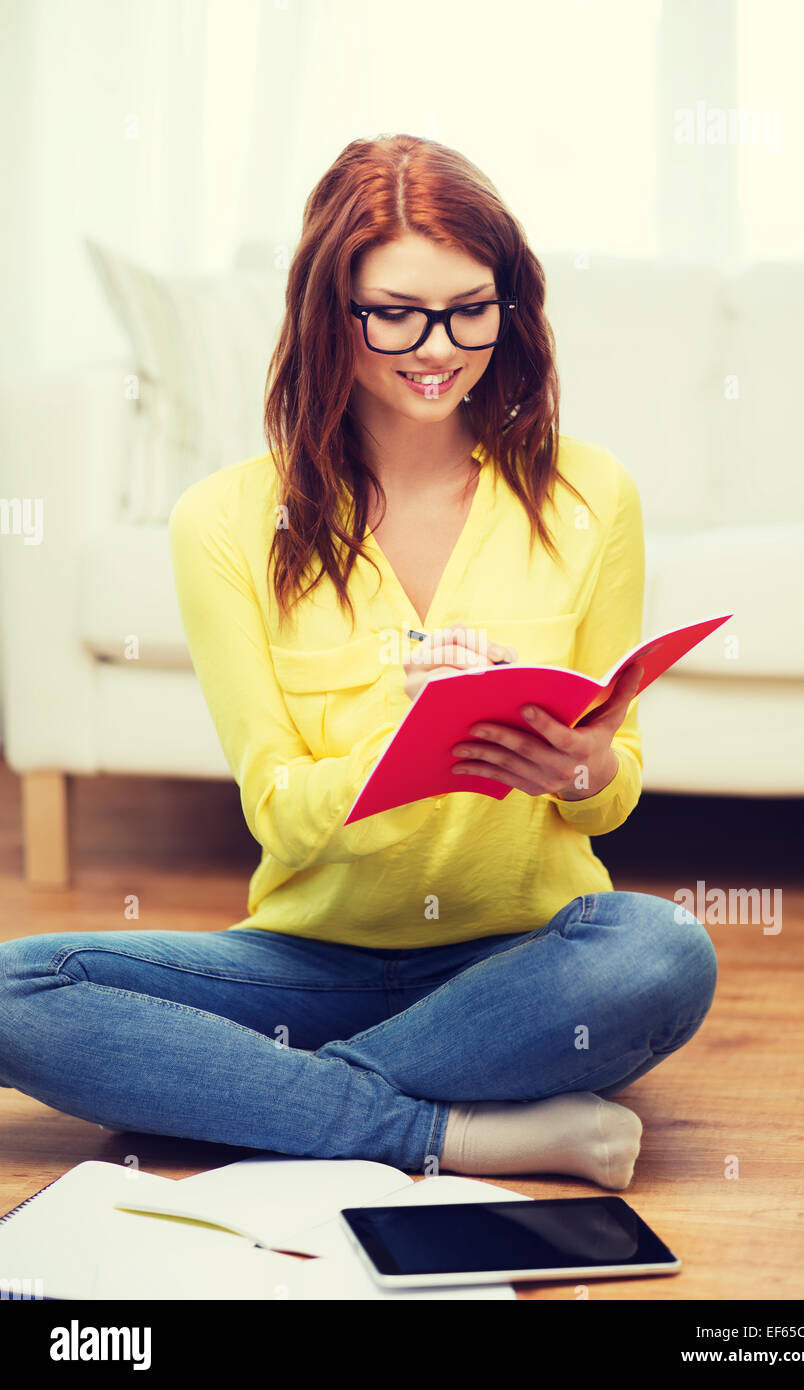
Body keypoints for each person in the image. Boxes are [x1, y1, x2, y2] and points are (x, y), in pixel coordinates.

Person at [0, 135, 716, 1189]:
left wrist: (579, 768)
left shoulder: (592, 495)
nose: (439, 347)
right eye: (396, 313)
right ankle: (454, 1131)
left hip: (522, 964)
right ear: (328, 311)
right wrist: (404, 732)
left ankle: (262, 1096)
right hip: (305, 964)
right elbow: (278, 815)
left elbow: (611, 799)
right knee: (17, 989)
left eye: (470, 310)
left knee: (663, 950)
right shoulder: (223, 521)